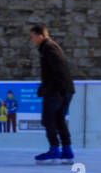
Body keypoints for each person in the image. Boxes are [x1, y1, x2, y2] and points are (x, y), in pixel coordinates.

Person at [30, 25, 75, 164]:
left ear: (40, 36)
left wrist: (56, 89)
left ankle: (55, 150)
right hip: (64, 89)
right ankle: (67, 151)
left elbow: (59, 69)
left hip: (57, 91)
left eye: (32, 37)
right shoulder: (51, 47)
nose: (31, 40)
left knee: (48, 120)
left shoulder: (49, 48)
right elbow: (54, 71)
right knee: (59, 119)